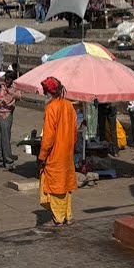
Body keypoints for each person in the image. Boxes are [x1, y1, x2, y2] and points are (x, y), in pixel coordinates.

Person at [37, 76, 78, 226]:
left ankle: (58, 218)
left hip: (55, 154)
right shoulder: (68, 106)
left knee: (55, 186)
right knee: (65, 185)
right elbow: (74, 132)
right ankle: (67, 216)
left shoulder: (51, 108)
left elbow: (48, 138)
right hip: (67, 153)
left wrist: (42, 157)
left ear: (48, 92)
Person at [0, 75, 21, 170]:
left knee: (5, 139)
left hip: (7, 114)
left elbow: (18, 96)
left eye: (8, 79)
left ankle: (9, 162)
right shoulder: (2, 86)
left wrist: (8, 91)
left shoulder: (16, 88)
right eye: (5, 79)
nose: (6, 81)